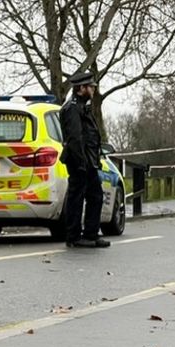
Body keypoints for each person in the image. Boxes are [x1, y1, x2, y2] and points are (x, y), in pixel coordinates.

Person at [60, 71, 110, 248]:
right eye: (91, 87)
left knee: (95, 195)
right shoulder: (72, 108)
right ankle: (74, 236)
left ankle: (90, 233)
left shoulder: (82, 106)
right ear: (81, 88)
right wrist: (81, 162)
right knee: (77, 197)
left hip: (87, 159)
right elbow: (75, 138)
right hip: (79, 160)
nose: (93, 90)